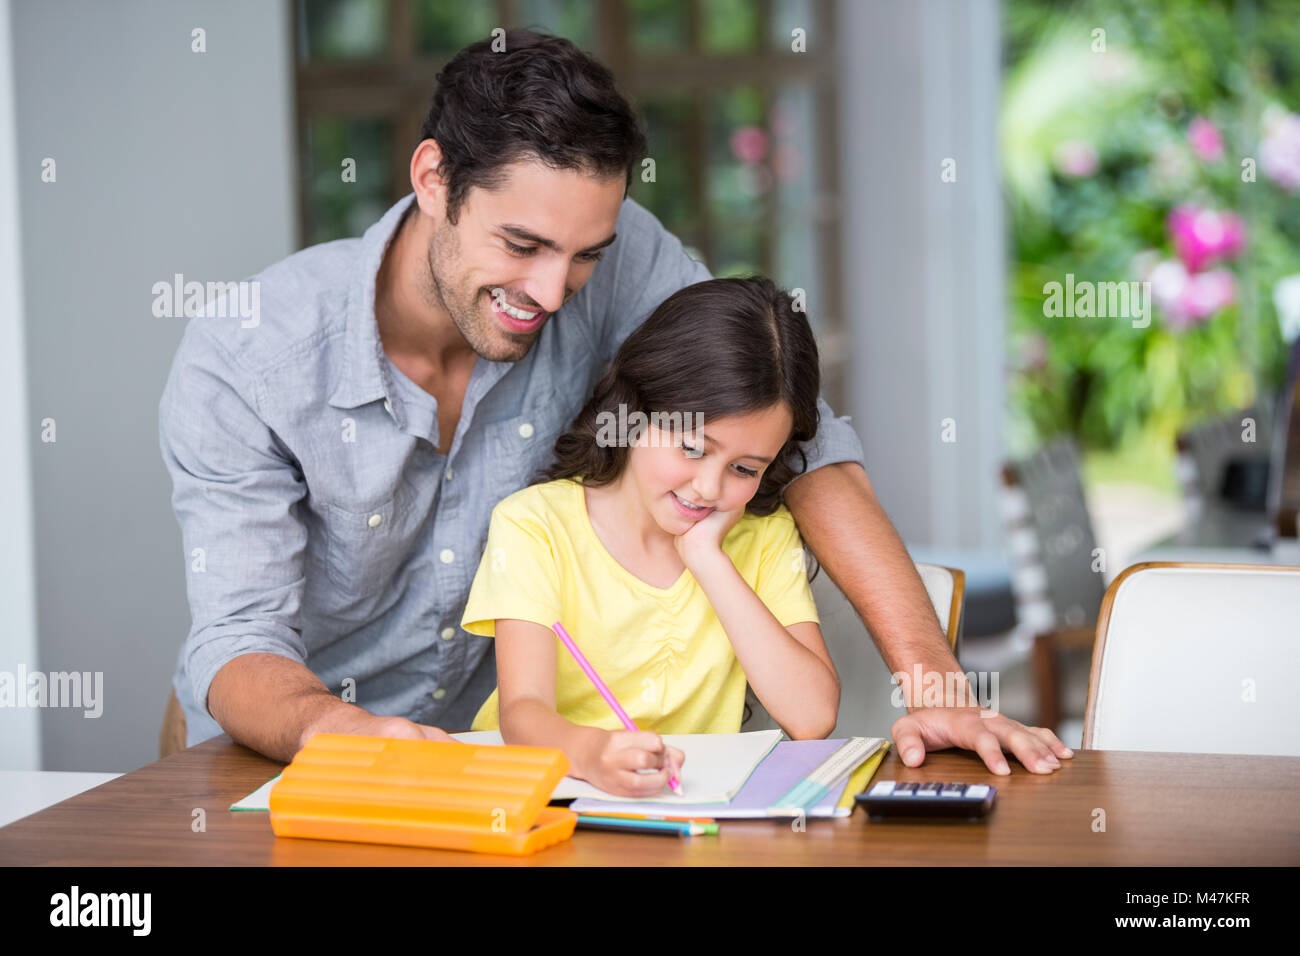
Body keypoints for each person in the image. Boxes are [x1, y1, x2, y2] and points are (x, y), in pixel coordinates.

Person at [159, 29, 1071, 776]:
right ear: (434, 178)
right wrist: (342, 733)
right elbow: (236, 640)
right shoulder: (248, 360)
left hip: (510, 776)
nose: (555, 293)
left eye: (585, 255)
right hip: (286, 754)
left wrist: (937, 687)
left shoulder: (621, 253)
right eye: (521, 245)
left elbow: (800, 443)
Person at [462, 277, 838, 796]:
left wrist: (708, 558)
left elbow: (812, 715)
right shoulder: (534, 527)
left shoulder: (763, 537)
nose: (709, 488)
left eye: (746, 469)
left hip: (683, 812)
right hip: (542, 800)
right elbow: (523, 711)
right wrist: (593, 754)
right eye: (691, 448)